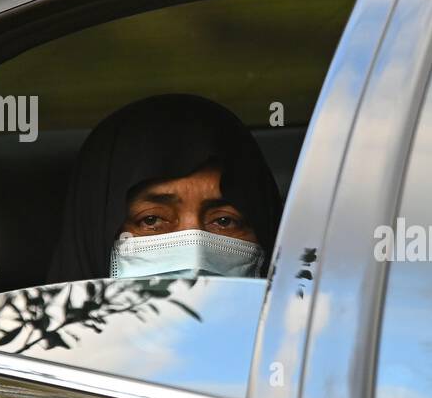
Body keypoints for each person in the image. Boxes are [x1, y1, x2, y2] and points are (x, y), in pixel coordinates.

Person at [47, 94, 282, 282]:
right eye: (151, 220)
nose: (195, 254)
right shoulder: (41, 341)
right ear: (95, 235)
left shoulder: (307, 339)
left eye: (224, 221)